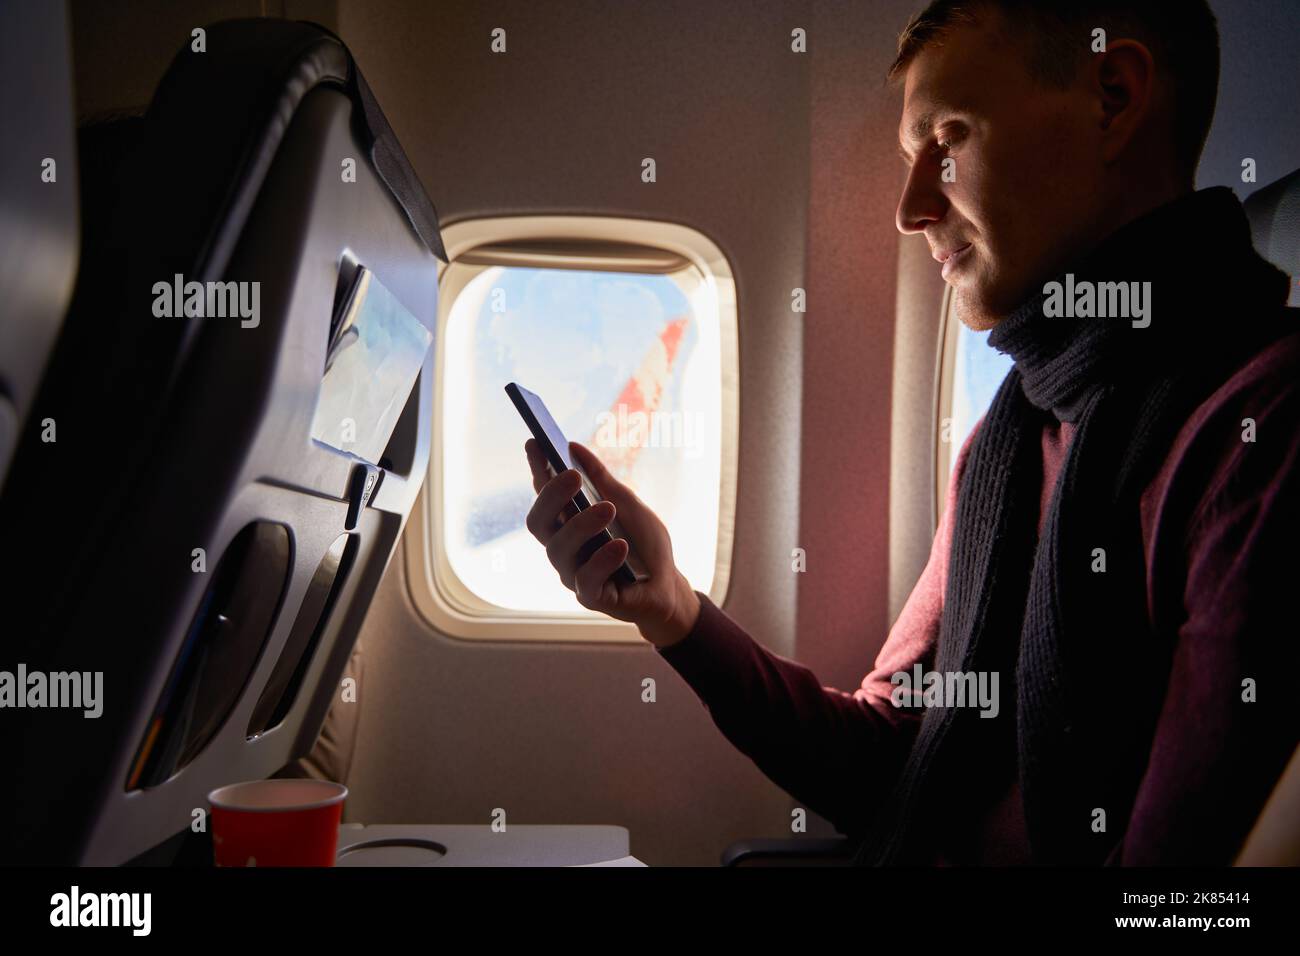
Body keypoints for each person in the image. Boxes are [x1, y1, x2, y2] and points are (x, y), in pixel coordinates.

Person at [523, 0, 1299, 865]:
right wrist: (674, 610)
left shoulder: (1263, 433)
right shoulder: (1010, 440)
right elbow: (890, 759)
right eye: (908, 157)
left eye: (950, 139)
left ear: (1112, 98)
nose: (909, 207)